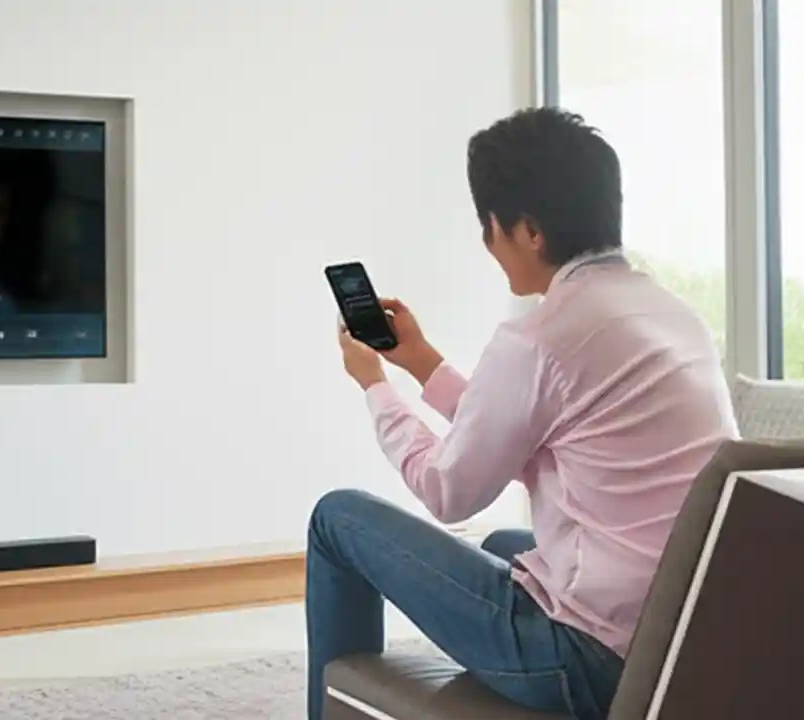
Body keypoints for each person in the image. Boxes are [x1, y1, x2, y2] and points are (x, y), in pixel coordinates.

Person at [309, 108, 737, 720]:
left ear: (528, 231)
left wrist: (375, 385)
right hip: (680, 644)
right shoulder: (674, 316)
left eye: (489, 228)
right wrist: (424, 362)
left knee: (337, 518)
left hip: (590, 665)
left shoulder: (541, 337)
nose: (488, 246)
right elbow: (530, 430)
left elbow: (447, 490)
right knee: (507, 544)